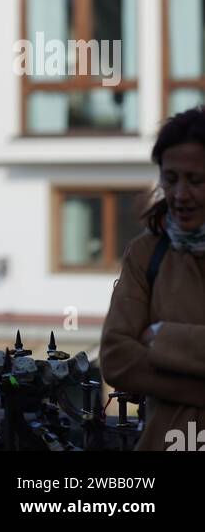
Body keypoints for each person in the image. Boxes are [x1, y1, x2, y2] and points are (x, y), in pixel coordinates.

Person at [100, 106, 205, 450]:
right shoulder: (146, 253)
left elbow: (135, 359)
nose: (179, 195)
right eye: (170, 178)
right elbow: (116, 357)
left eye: (195, 180)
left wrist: (163, 337)